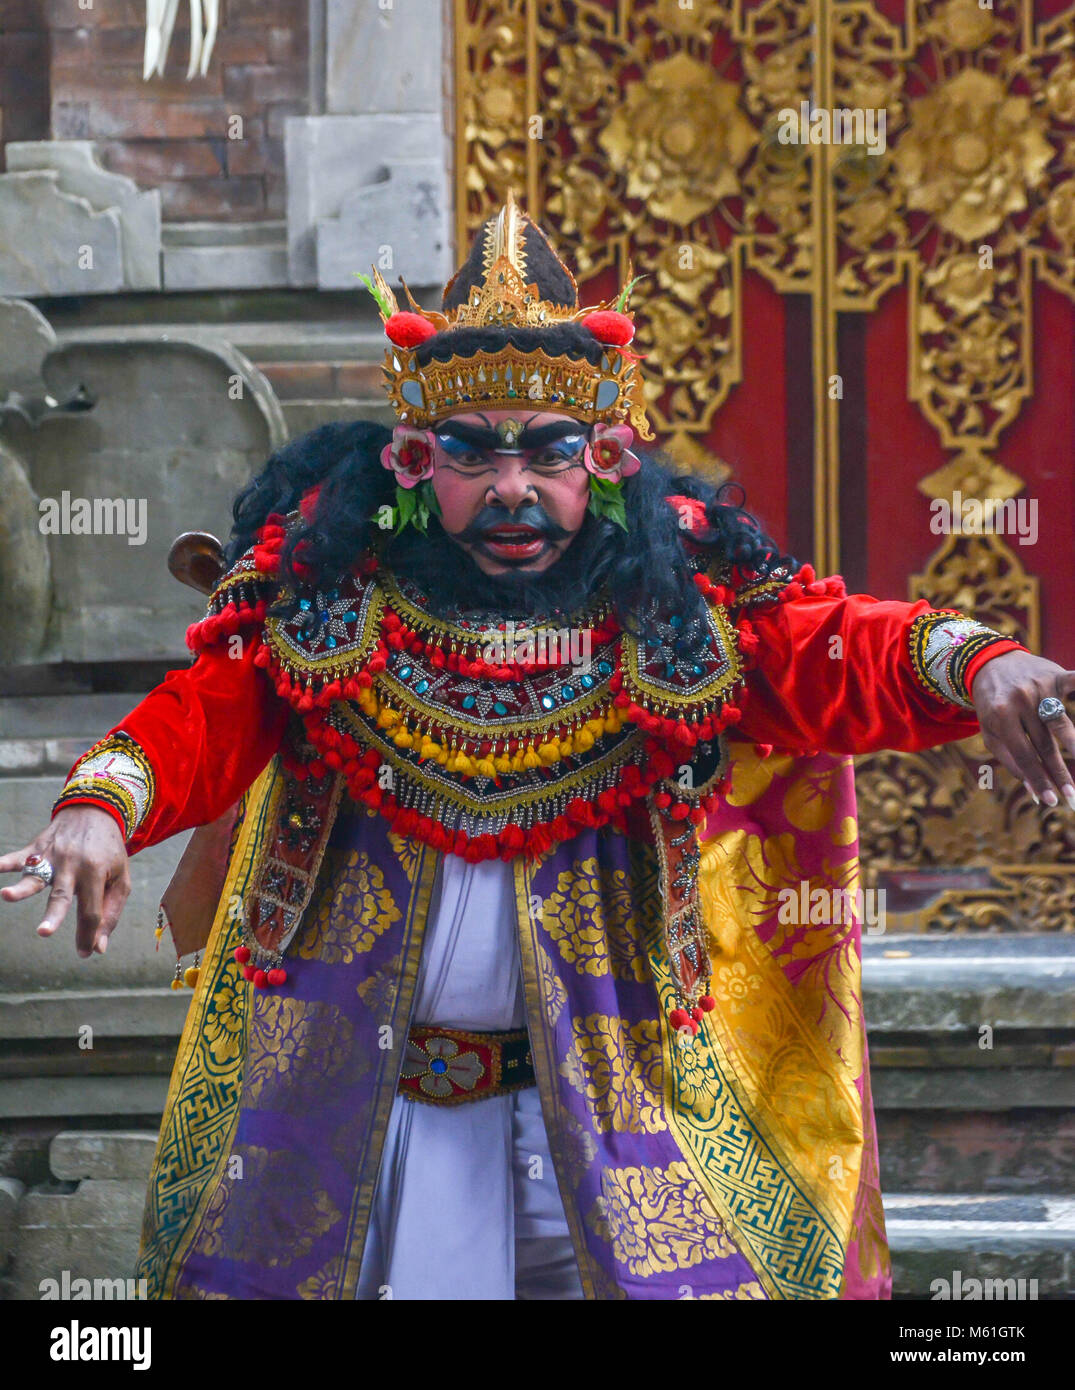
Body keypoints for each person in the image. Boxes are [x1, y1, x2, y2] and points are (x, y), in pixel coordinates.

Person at [3, 192, 1074, 1301]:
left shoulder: (677, 611)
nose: (511, 488)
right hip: (353, 1126)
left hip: (611, 1130)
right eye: (472, 452)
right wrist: (103, 802)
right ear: (416, 458)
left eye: (548, 451)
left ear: (603, 456)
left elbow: (839, 649)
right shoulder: (330, 608)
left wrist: (978, 661)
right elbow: (206, 713)